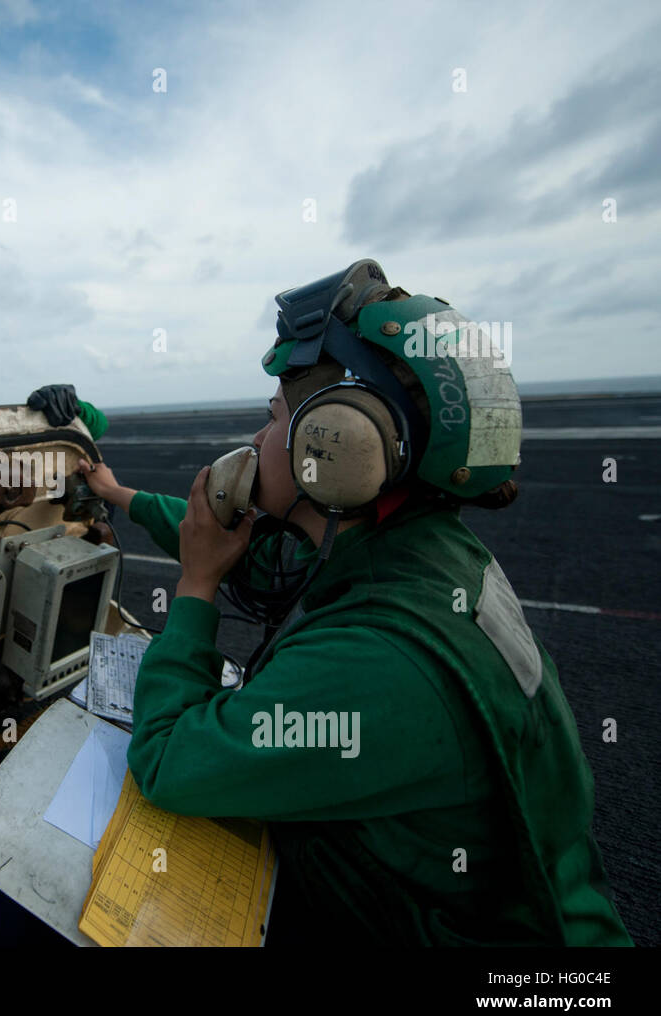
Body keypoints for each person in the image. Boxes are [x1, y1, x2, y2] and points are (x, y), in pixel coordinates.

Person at [79, 259, 634, 945]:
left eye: (275, 417)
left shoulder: (379, 663)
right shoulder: (422, 553)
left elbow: (166, 762)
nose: (256, 440)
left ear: (340, 445)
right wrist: (118, 494)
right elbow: (252, 549)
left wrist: (193, 589)